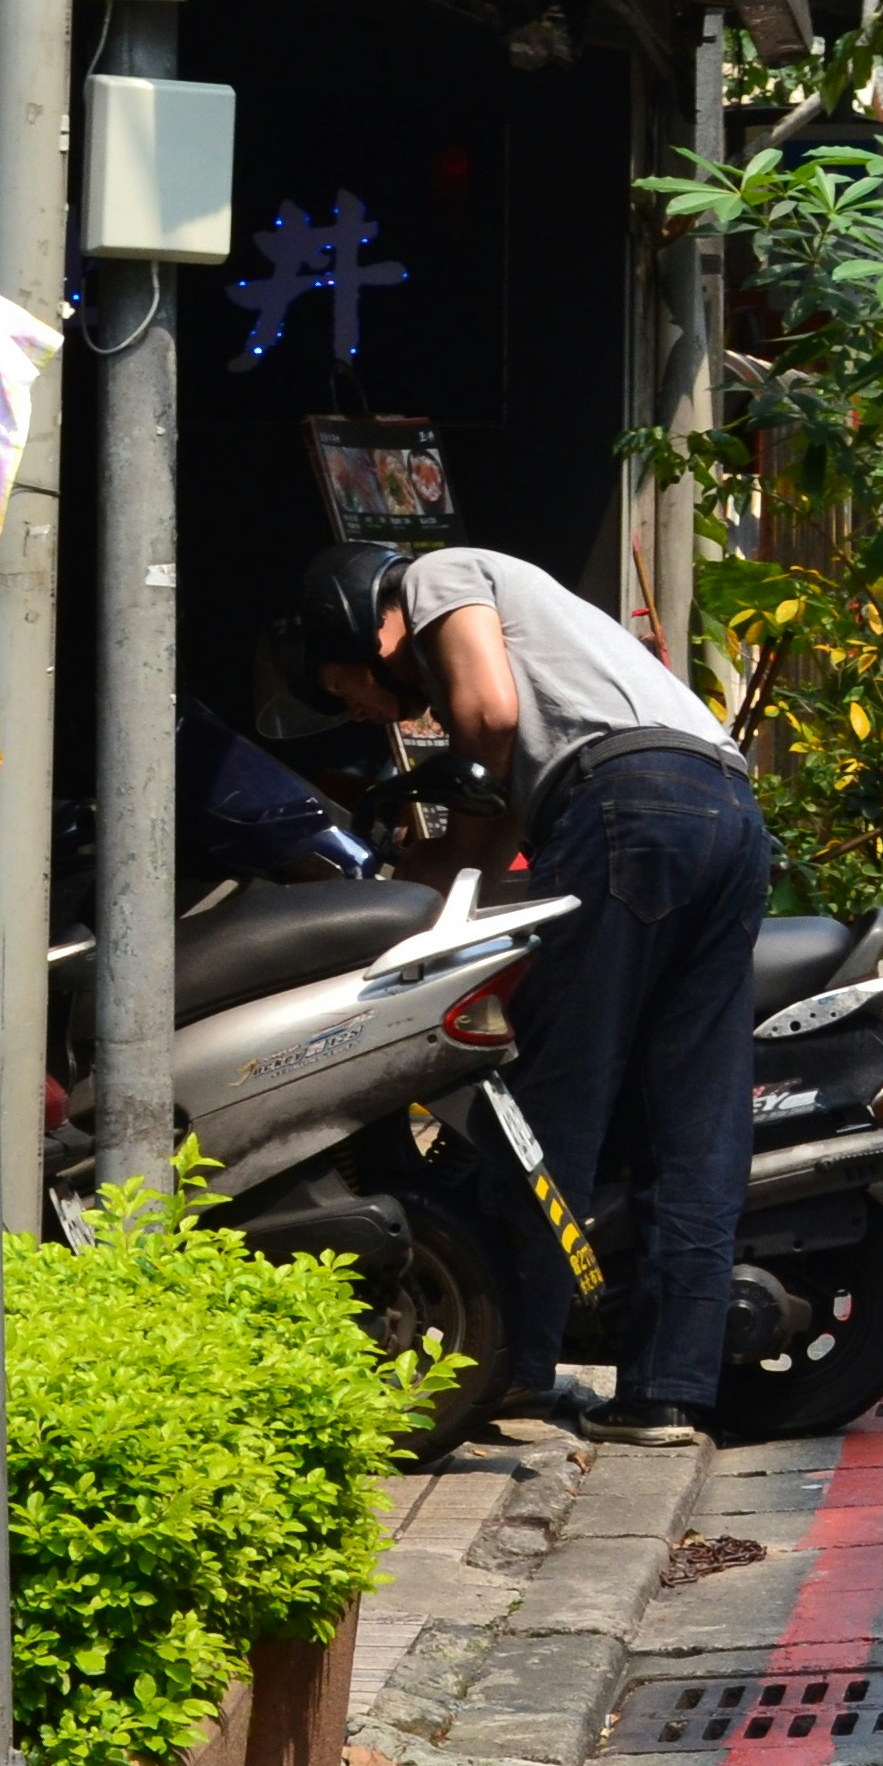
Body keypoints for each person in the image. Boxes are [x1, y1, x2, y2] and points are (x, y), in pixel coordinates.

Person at [293, 539, 769, 1446]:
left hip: (626, 806)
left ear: (370, 620)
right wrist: (369, 893)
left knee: (551, 1099)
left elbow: (490, 718)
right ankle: (666, 1396)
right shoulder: (557, 683)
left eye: (348, 681)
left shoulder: (435, 576)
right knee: (694, 1118)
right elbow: (469, 854)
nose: (358, 703)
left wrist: (434, 786)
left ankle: (514, 1371)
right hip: (727, 812)